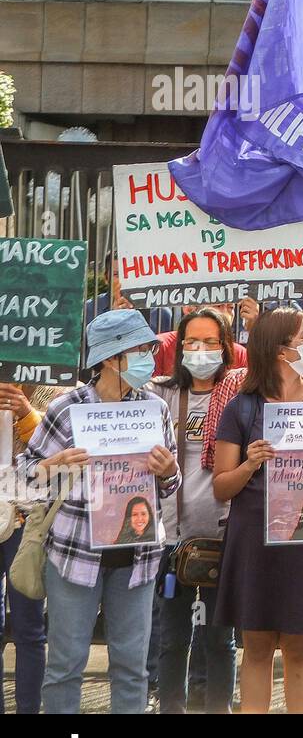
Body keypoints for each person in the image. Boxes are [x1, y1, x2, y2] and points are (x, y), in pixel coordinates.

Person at [17, 309, 180, 714]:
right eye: (139, 350)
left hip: (137, 559)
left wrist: (169, 471)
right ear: (110, 358)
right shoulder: (66, 408)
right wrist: (52, 467)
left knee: (132, 670)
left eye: (148, 349)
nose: (149, 358)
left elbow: (171, 484)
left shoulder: (155, 409)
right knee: (65, 666)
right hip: (74, 558)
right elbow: (20, 480)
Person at [211, 307, 303, 714]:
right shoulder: (242, 407)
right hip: (255, 543)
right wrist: (250, 464)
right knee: (255, 648)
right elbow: (222, 486)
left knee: (300, 647)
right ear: (277, 349)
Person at [150, 306, 238, 715]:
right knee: (171, 637)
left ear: (226, 348)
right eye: (191, 342)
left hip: (224, 534)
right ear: (179, 346)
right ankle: (172, 708)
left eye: (209, 342)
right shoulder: (161, 395)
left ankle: (218, 708)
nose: (199, 349)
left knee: (221, 640)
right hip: (172, 536)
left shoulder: (239, 397)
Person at [0, 382, 59, 714]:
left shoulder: (59, 387)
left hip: (28, 520)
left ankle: (28, 709)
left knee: (29, 627)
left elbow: (56, 451)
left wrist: (25, 411)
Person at [151, 303, 248, 378]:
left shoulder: (239, 353)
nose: (225, 314)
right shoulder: (160, 346)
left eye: (231, 307)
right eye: (218, 306)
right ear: (189, 308)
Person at [83, 255, 173, 334]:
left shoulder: (160, 312)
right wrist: (113, 318)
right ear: (106, 278)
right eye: (116, 274)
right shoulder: (90, 309)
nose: (124, 280)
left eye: (130, 273)